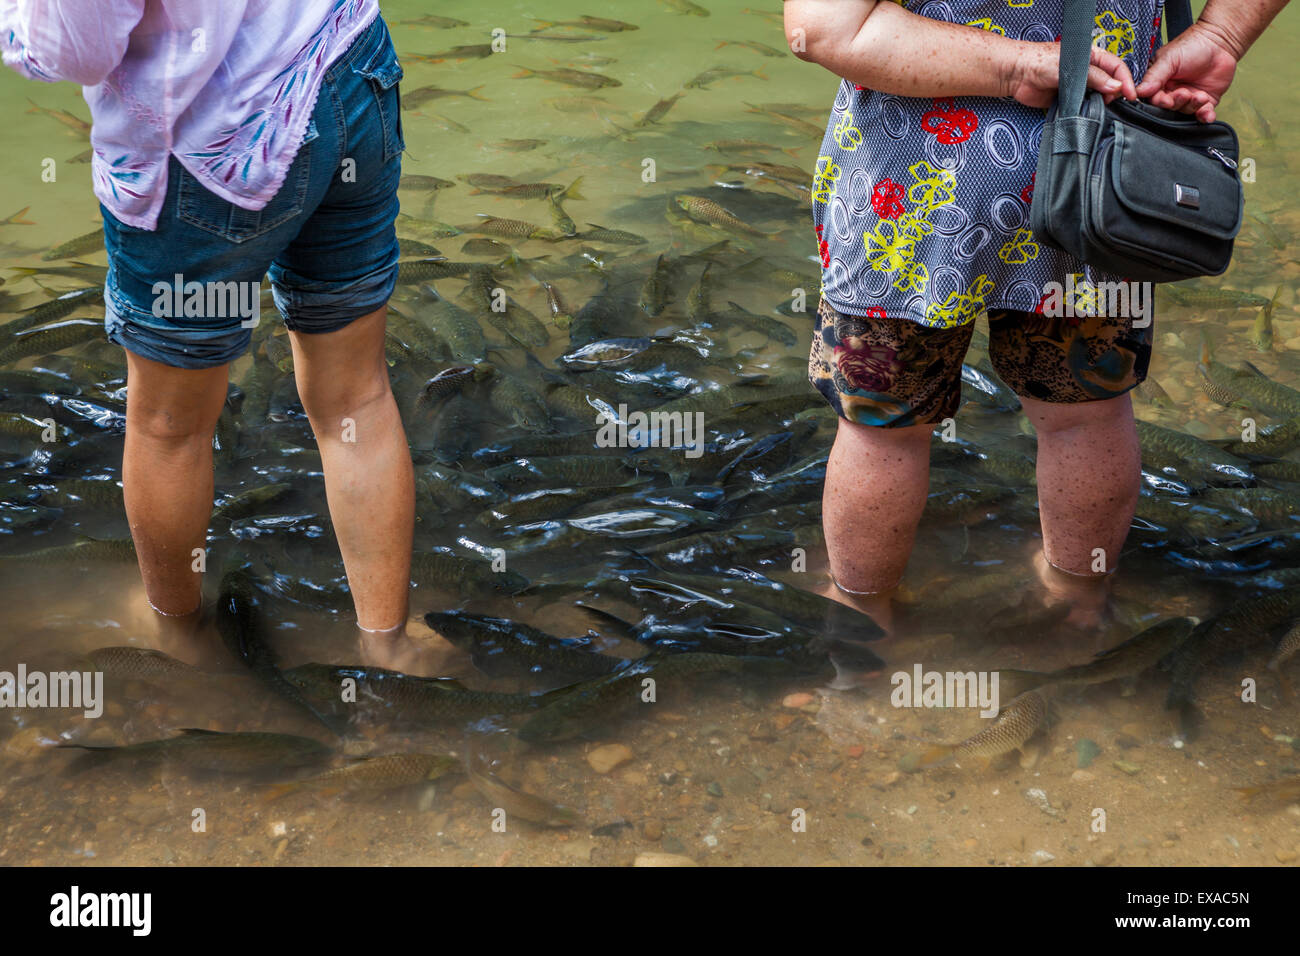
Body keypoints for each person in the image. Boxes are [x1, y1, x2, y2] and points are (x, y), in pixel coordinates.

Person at [783, 0, 1288, 634]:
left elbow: (825, 28)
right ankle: (1078, 611)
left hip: (909, 182)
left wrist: (1017, 67)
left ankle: (860, 628)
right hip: (1098, 173)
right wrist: (1221, 34)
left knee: (883, 427)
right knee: (1086, 414)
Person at [1, 1, 416, 650]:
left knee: (170, 428)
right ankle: (391, 644)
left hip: (207, 139)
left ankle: (179, 636)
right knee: (355, 396)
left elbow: (76, 47)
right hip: (347, 67)